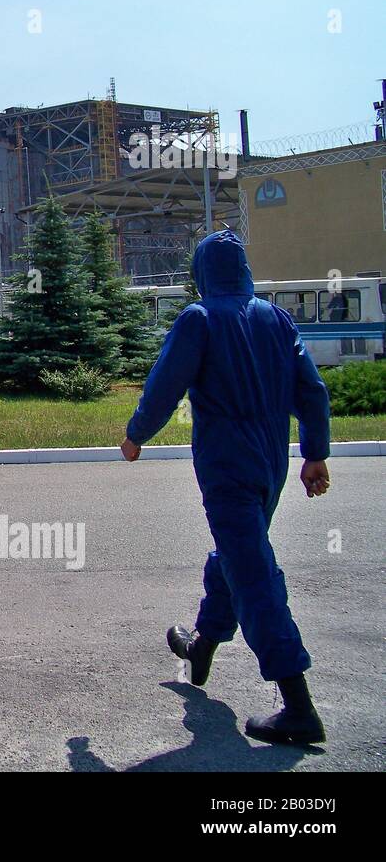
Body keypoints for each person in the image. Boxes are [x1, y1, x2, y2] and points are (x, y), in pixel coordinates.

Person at [120, 229, 331, 745]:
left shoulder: (200, 319)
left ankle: (297, 704)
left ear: (201, 274)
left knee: (253, 570)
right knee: (238, 555)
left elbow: (165, 383)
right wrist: (315, 453)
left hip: (226, 466)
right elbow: (312, 390)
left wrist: (136, 433)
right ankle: (202, 646)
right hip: (270, 465)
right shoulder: (276, 319)